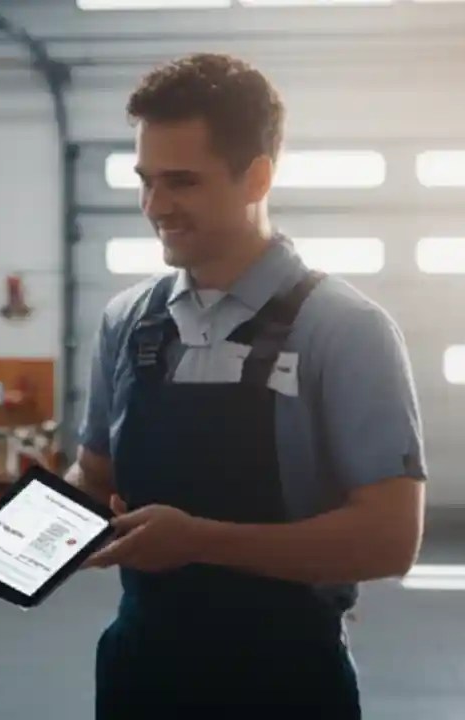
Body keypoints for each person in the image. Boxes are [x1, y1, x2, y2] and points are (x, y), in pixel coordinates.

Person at [72, 53, 428, 718]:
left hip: (282, 681)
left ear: (256, 177)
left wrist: (200, 540)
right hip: (139, 673)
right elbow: (94, 476)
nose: (155, 207)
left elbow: (389, 539)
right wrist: (0, 545)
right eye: (145, 181)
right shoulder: (127, 324)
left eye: (182, 182)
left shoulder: (344, 330)